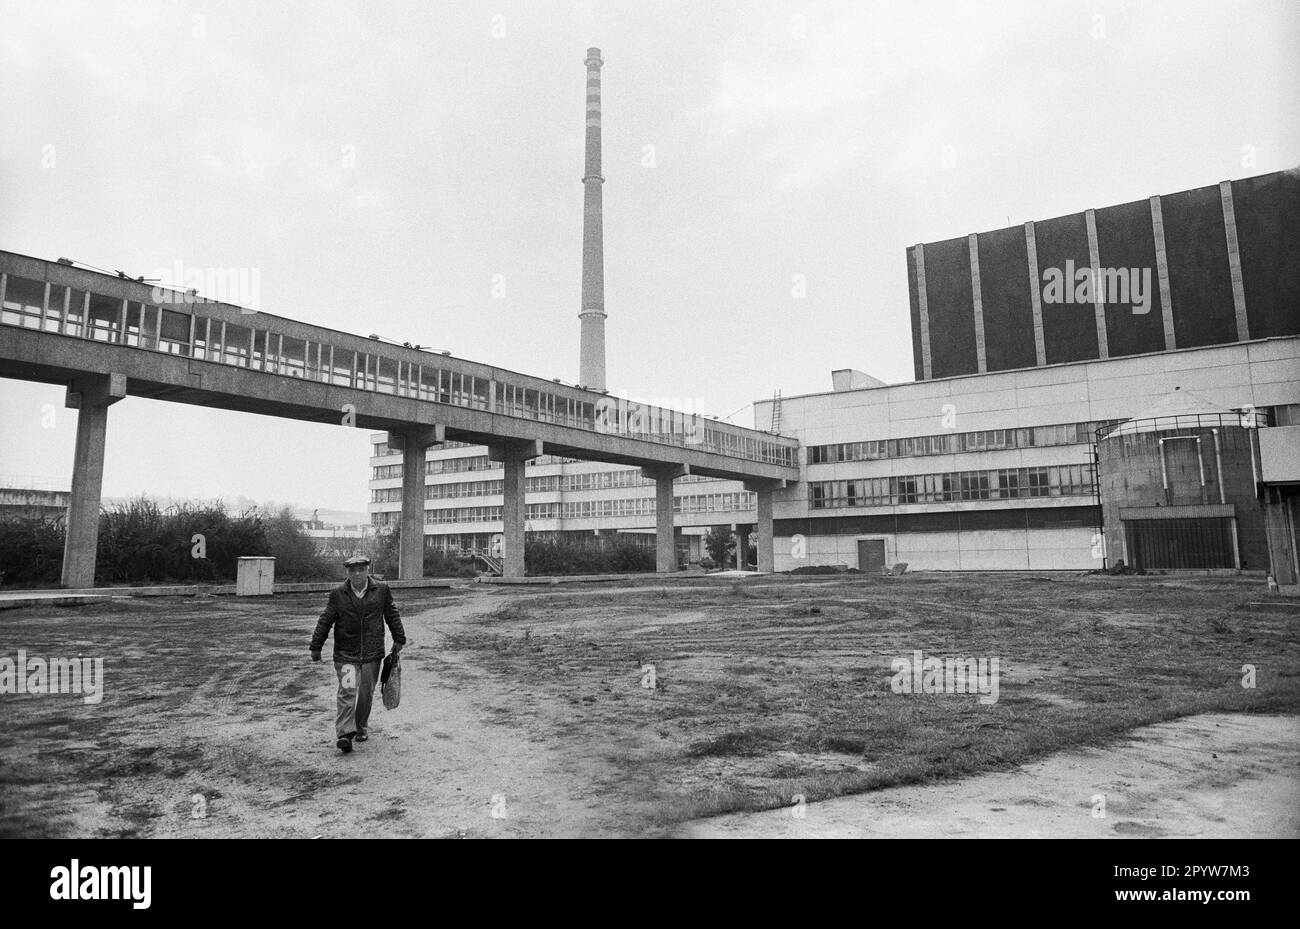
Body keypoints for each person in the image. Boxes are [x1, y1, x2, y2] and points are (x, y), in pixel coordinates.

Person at [310, 555, 407, 753]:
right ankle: (345, 733)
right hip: (346, 655)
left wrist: (399, 639)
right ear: (348, 572)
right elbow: (325, 620)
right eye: (352, 570)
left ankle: (361, 727)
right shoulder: (338, 594)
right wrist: (316, 646)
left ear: (367, 570)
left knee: (365, 694)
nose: (357, 573)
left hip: (372, 655)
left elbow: (391, 614)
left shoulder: (381, 590)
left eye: (360, 569)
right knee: (347, 692)